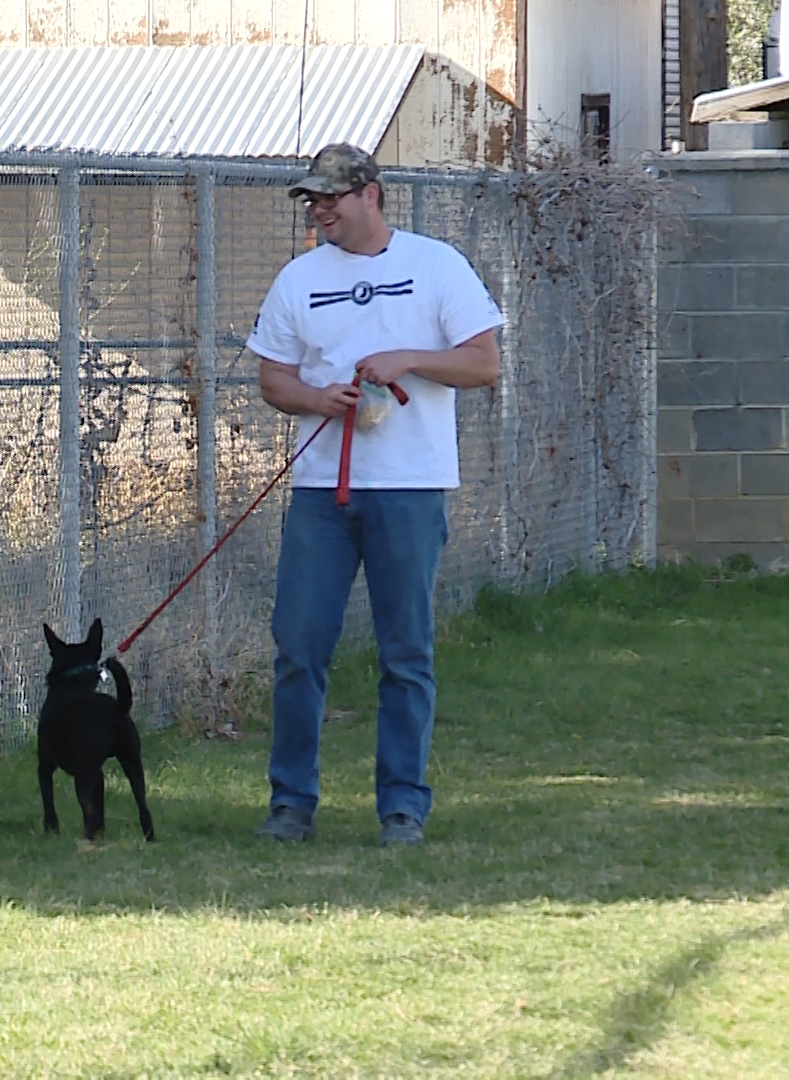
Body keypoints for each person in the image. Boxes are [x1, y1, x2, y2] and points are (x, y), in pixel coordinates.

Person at [243, 143, 503, 846]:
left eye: (332, 197)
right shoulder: (299, 280)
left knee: (405, 652)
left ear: (372, 195)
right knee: (299, 646)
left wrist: (407, 359)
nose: (321, 210)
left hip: (410, 489)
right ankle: (291, 803)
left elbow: (483, 363)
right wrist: (318, 398)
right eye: (313, 200)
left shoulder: (435, 264)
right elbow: (274, 379)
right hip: (321, 491)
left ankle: (402, 808)